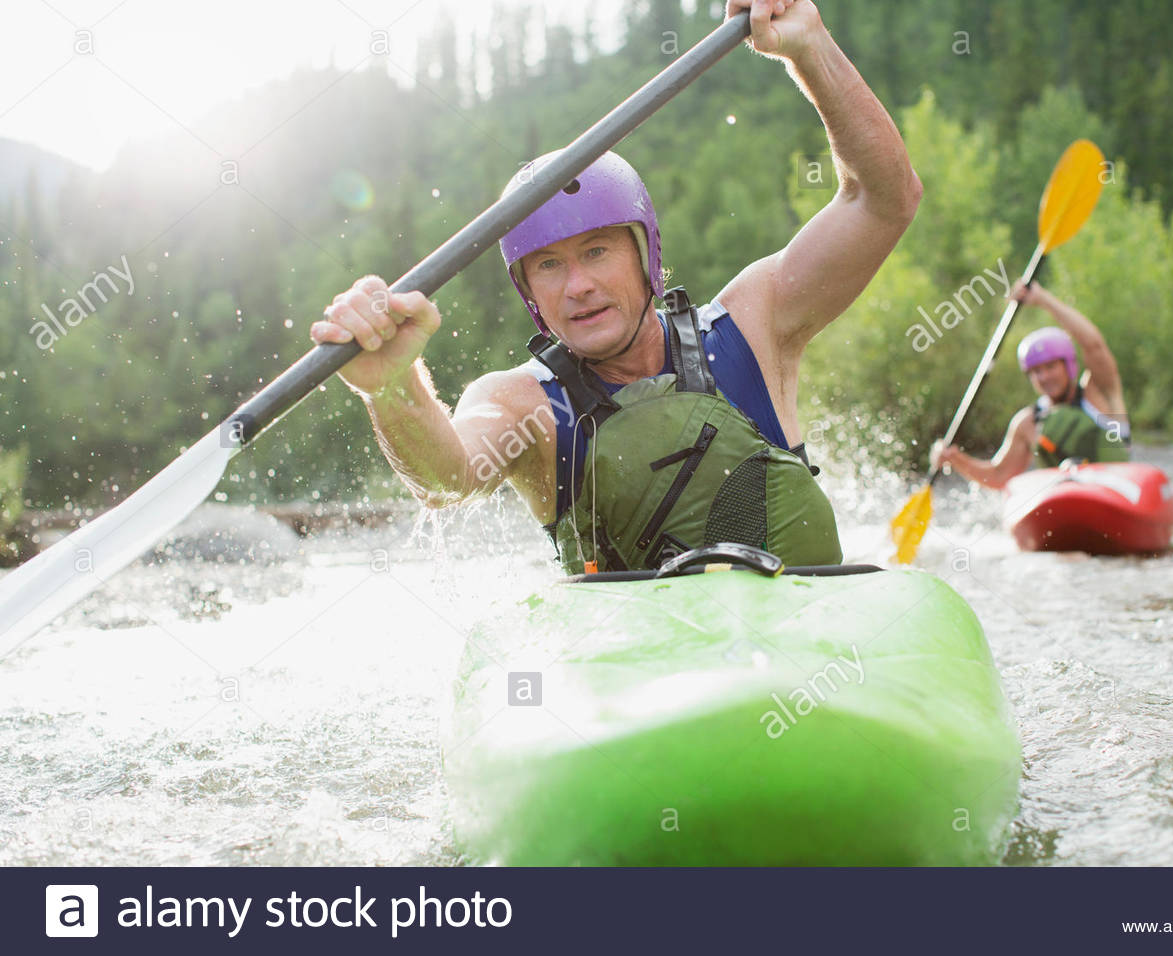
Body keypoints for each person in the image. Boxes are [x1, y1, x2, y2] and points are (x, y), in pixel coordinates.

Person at [310, 0, 923, 573]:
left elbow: (884, 199)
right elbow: (447, 480)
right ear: (528, 292)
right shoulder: (526, 408)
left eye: (597, 251)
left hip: (804, 660)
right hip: (645, 677)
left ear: (647, 258)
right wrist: (392, 386)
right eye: (548, 265)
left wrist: (809, 48)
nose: (578, 285)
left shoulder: (754, 326)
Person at [930, 279, 1130, 490]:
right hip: (1067, 500)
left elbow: (1094, 345)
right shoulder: (1028, 423)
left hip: (1117, 491)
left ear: (1069, 365)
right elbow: (999, 476)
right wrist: (955, 459)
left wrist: (1044, 300)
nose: (1043, 377)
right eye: (1035, 371)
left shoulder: (1099, 392)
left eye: (1050, 366)